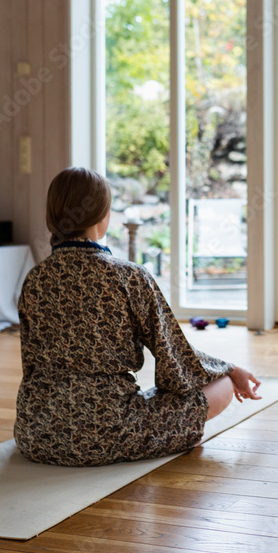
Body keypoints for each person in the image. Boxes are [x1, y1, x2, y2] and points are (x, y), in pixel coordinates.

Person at [15, 167, 261, 466]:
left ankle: (171, 434)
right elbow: (175, 355)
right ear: (103, 217)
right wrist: (230, 369)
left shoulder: (35, 279)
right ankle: (175, 435)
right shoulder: (129, 276)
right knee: (221, 385)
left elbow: (30, 363)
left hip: (36, 433)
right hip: (107, 432)